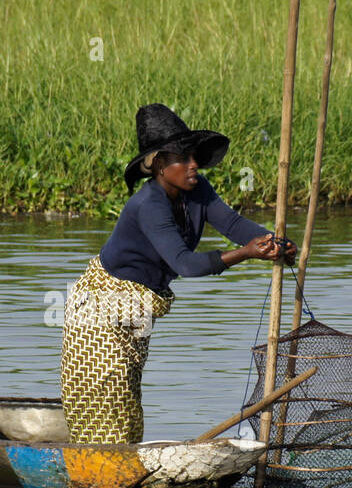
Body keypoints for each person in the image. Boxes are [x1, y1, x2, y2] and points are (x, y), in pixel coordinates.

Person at [61, 103, 295, 444]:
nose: (193, 165)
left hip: (138, 308)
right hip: (100, 308)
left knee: (128, 402)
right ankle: (101, 479)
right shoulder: (148, 205)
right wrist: (246, 253)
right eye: (182, 158)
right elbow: (185, 264)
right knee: (104, 399)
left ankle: (122, 479)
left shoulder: (196, 190)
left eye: (194, 157)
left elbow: (232, 224)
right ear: (158, 164)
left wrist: (276, 243)